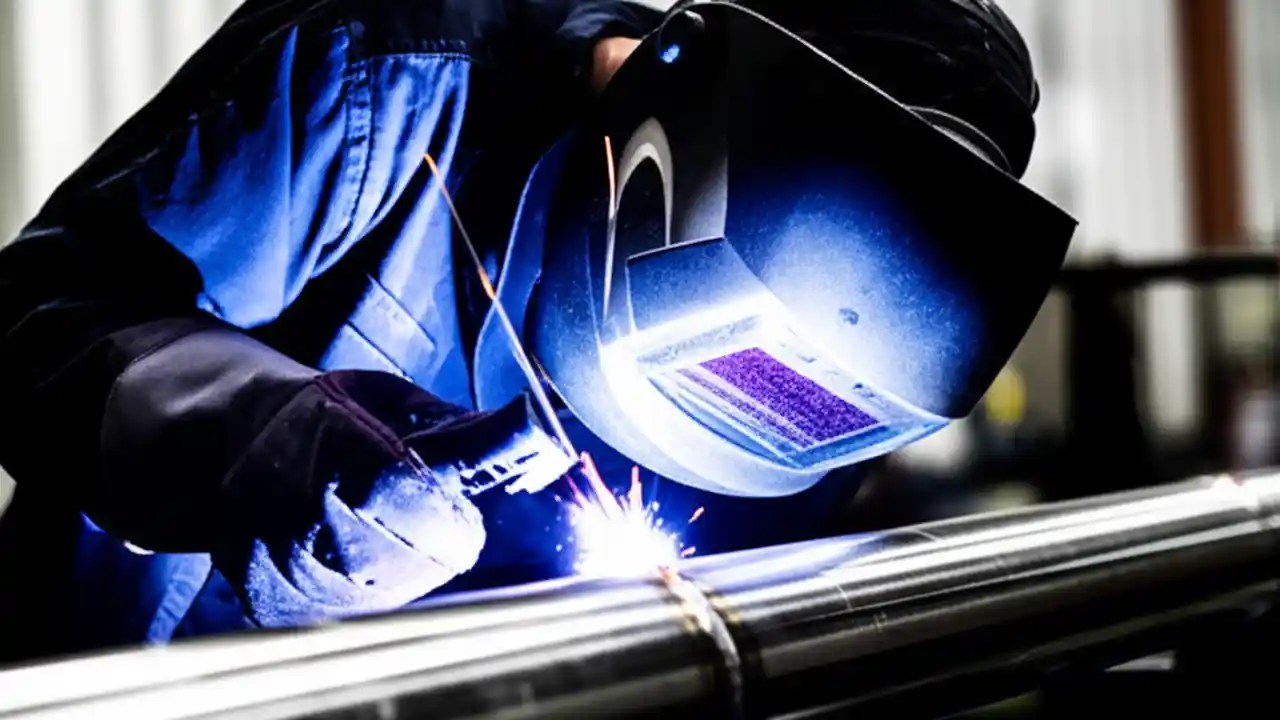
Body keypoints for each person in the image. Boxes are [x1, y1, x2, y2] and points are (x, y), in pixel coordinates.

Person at [0, 0, 1070, 663]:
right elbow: (34, 314)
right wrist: (272, 443)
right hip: (130, 672)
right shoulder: (386, 82)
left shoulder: (852, 369)